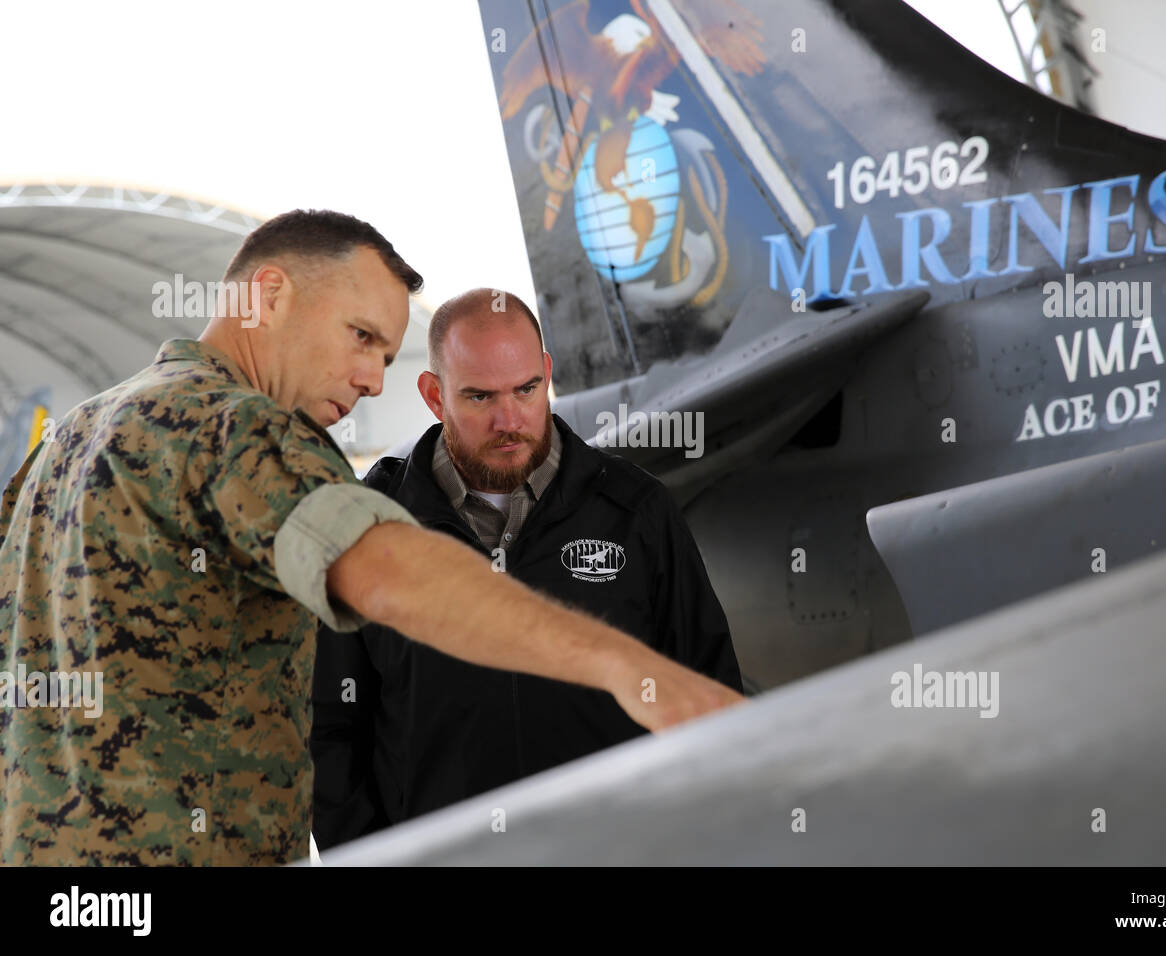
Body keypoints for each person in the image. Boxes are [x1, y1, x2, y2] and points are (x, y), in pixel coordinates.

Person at [0, 210, 742, 866]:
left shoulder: (66, 442)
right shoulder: (241, 429)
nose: (371, 380)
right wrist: (621, 664)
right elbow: (384, 574)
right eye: (361, 338)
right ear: (269, 294)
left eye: (386, 354)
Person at [311, 289, 742, 849]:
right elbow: (331, 728)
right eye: (480, 397)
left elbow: (709, 686)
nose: (509, 420)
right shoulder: (372, 528)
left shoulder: (636, 511)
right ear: (434, 395)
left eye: (526, 389)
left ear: (547, 374)